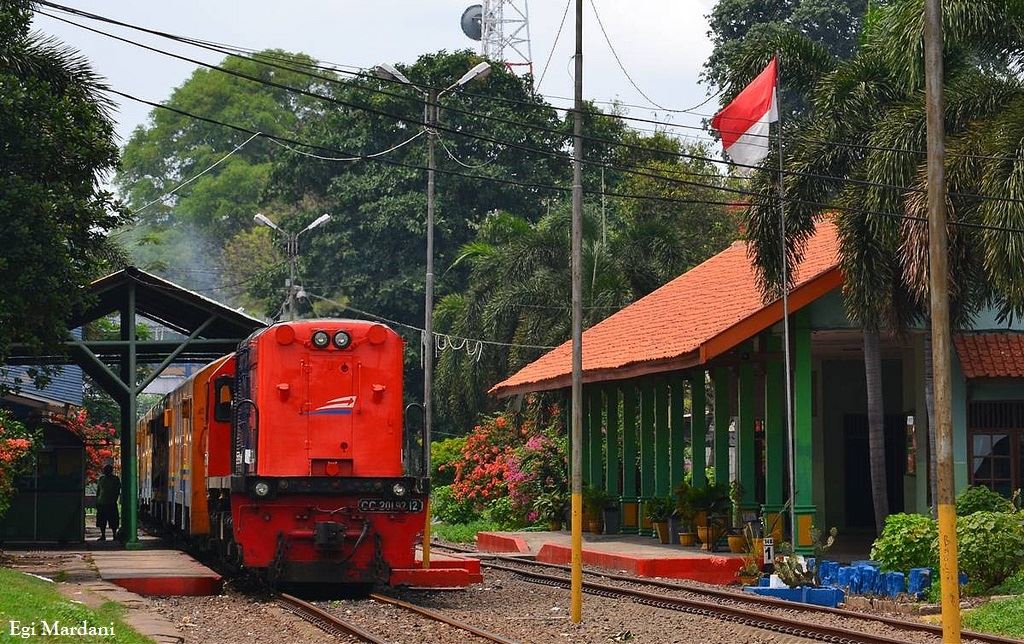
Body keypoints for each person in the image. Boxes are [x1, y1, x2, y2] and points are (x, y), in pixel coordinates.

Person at [95, 464, 121, 541]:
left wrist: (115, 499)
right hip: (103, 502)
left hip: (110, 502)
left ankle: (113, 535)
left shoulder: (115, 479)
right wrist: (97, 500)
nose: (106, 471)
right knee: (102, 520)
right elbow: (98, 491)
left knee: (112, 520)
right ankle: (104, 535)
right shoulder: (101, 479)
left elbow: (117, 490)